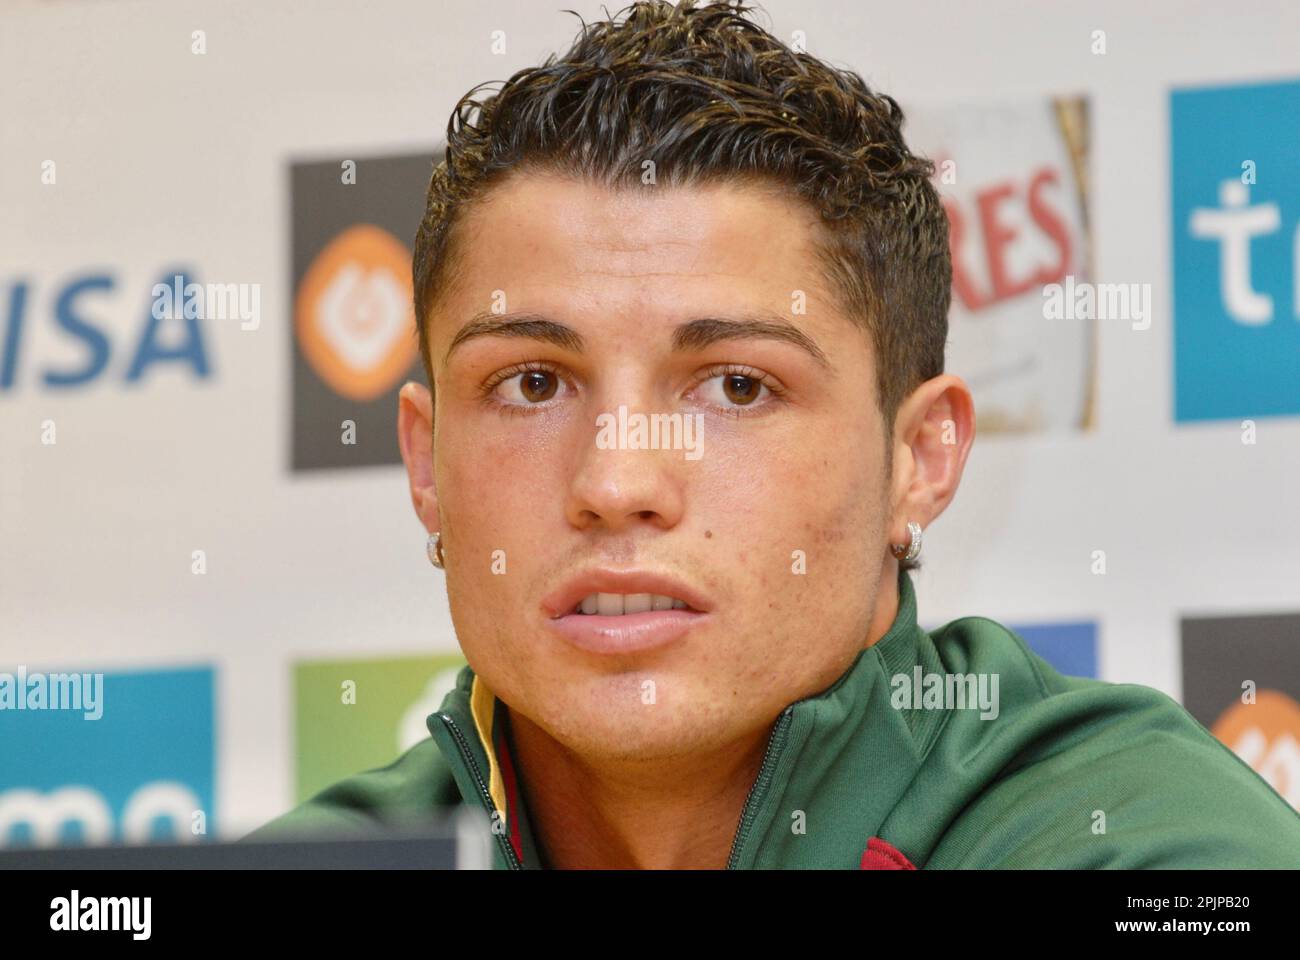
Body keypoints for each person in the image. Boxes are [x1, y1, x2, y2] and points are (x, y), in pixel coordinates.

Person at [247, 0, 1300, 868]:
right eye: (531, 383)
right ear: (426, 464)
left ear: (918, 459)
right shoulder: (316, 865)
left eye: (737, 387)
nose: (616, 480)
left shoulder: (1145, 850)